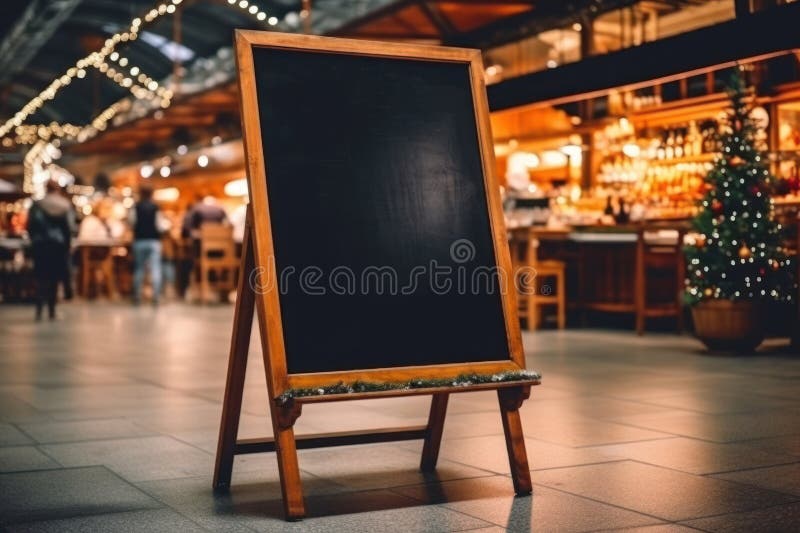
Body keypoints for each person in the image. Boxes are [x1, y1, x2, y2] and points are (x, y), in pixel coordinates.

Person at [27, 180, 74, 320]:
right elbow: (69, 228)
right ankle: (52, 311)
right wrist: (67, 245)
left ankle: (39, 309)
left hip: (40, 245)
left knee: (41, 277)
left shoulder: (37, 205)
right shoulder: (65, 205)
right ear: (57, 189)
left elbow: (30, 226)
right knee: (54, 278)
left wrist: (34, 241)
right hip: (58, 247)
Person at [128, 185, 170, 305]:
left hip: (139, 240)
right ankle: (156, 296)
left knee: (139, 268)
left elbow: (131, 222)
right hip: (153, 241)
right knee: (155, 268)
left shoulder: (135, 207)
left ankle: (137, 296)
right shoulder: (155, 207)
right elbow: (160, 226)